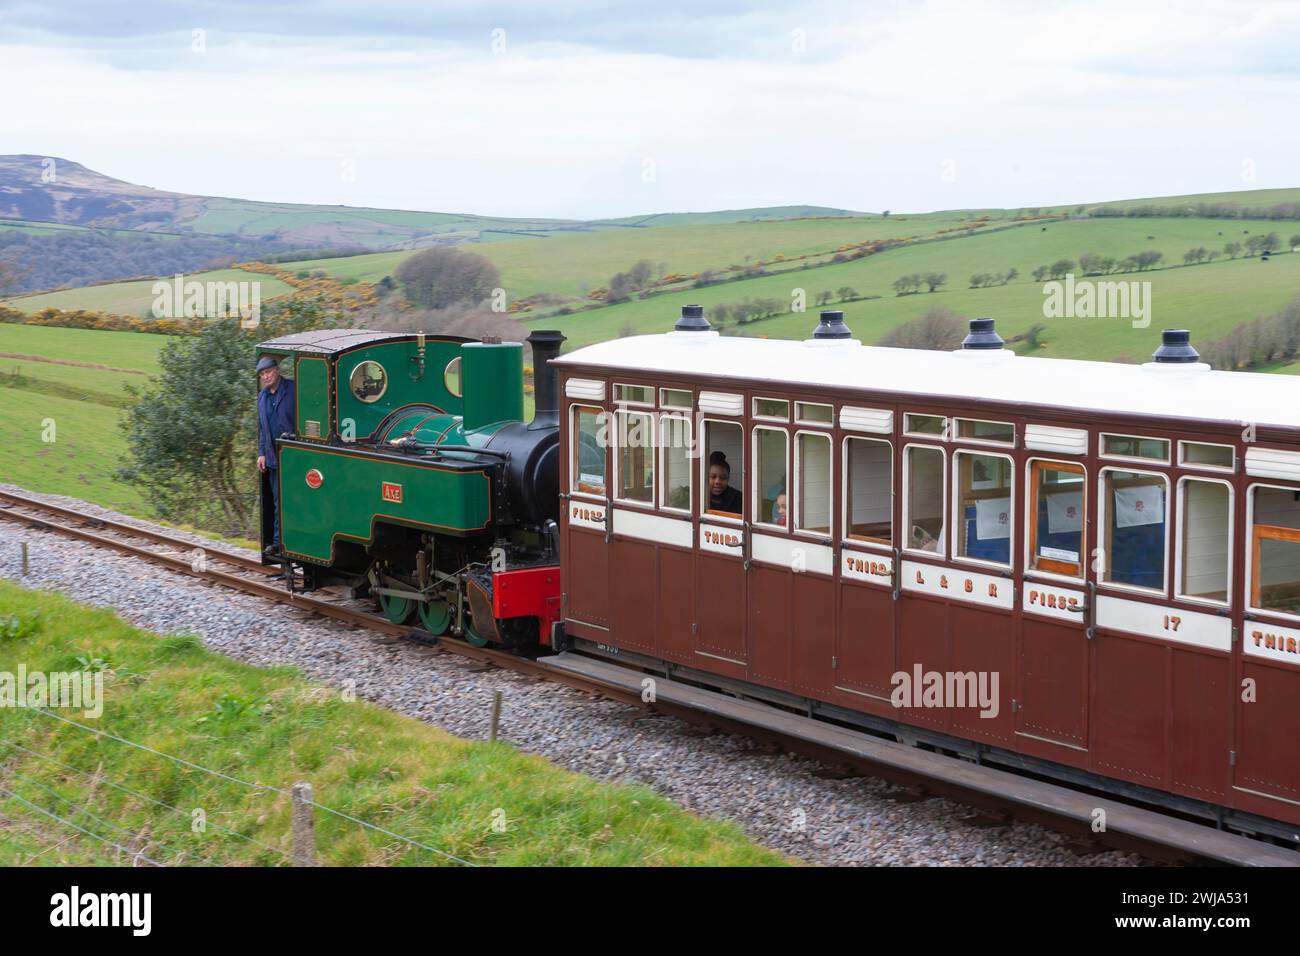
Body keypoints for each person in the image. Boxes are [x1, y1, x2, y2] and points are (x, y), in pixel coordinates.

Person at [256, 355, 296, 553]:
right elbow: (263, 429)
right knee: (277, 501)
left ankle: (290, 542)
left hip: (293, 456)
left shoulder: (292, 389)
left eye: (268, 372)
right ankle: (279, 543)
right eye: (263, 374)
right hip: (273, 457)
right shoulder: (262, 397)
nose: (266, 376)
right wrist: (261, 453)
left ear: (277, 370)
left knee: (291, 500)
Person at [707, 451, 743, 515]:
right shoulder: (698, 497)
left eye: (723, 478)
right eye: (713, 477)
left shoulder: (739, 499)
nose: (717, 482)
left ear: (728, 479)